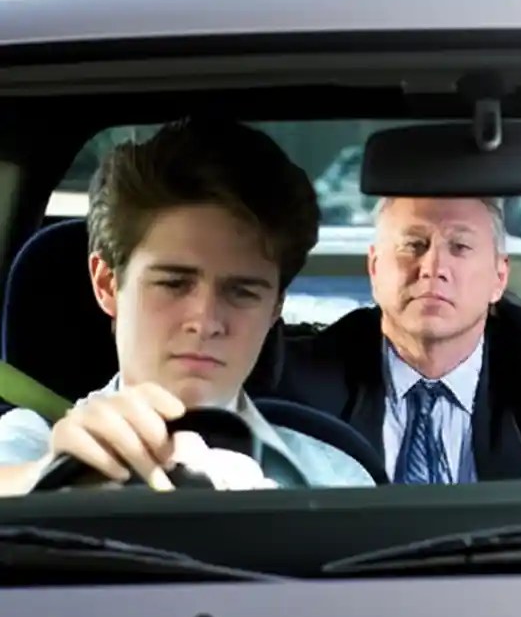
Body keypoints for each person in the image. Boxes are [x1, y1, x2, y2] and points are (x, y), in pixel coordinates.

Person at [0, 118, 375, 495]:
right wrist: (52, 478)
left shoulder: (334, 476)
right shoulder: (25, 442)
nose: (205, 320)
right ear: (107, 284)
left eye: (242, 292)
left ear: (275, 307)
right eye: (173, 283)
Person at [274, 195, 521, 484]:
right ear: (375, 270)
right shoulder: (302, 381)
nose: (432, 267)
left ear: (499, 277)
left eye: (460, 246)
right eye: (413, 245)